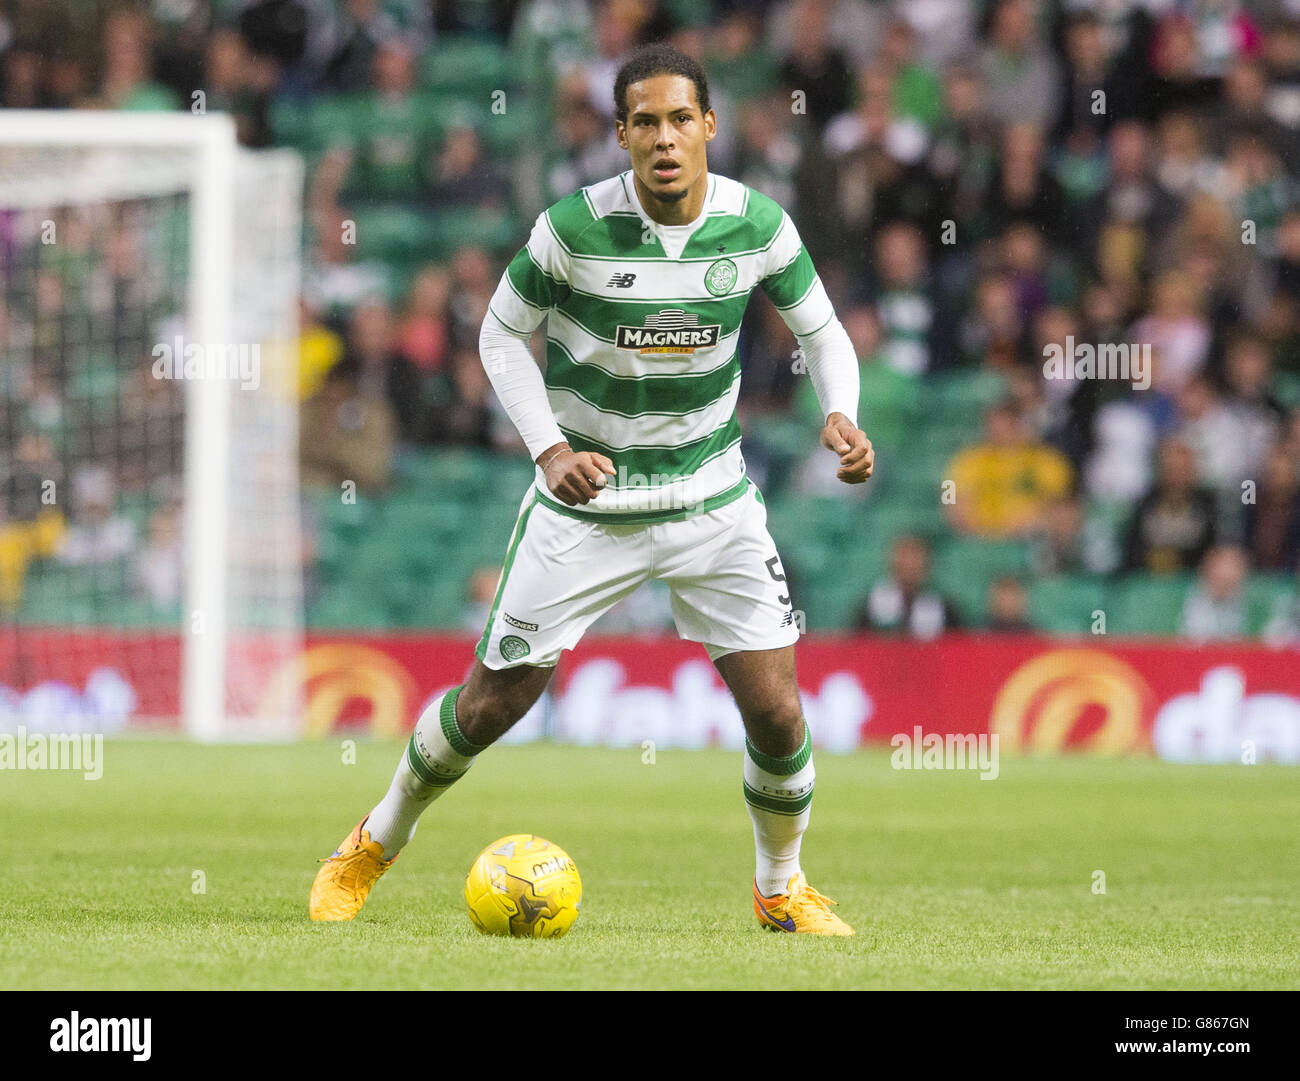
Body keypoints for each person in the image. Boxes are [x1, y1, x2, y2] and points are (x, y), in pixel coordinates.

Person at [310, 43, 873, 936]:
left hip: (711, 501)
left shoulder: (758, 224)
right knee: (492, 703)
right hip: (586, 505)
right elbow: (500, 337)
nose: (663, 137)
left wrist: (840, 411)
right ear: (620, 134)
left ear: (708, 127)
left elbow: (824, 330)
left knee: (777, 710)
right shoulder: (569, 229)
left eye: (680, 118)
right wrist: (547, 449)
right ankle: (374, 840)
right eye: (643, 121)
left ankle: (781, 886)